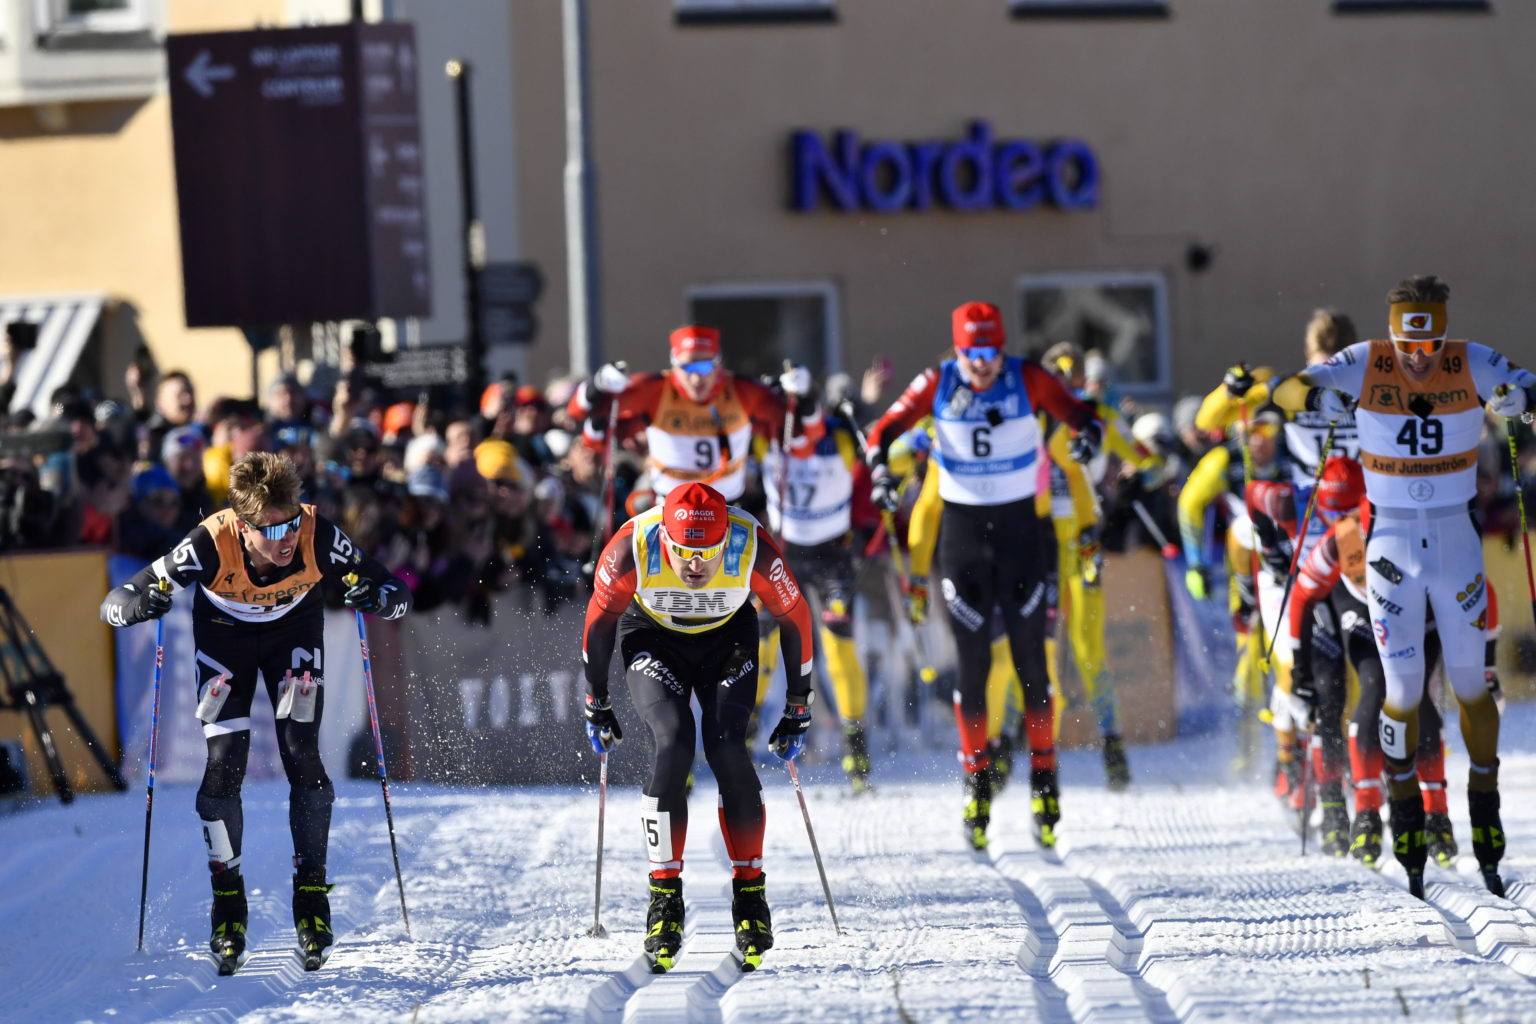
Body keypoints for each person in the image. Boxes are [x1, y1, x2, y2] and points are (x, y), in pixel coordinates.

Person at [1271, 273, 1535, 897]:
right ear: (1392, 333)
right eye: (1408, 346)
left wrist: (1519, 399)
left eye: (1429, 345)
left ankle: (1484, 812)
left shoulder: (1470, 357)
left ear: (1442, 329)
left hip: (1455, 542)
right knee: (1402, 690)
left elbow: (1526, 383)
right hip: (1388, 546)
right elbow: (1283, 391)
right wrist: (1314, 401)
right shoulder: (1365, 361)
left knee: (1472, 689)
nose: (1419, 360)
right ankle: (1402, 813)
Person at [100, 452, 413, 967]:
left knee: (301, 751)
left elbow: (397, 590)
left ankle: (311, 901)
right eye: (273, 529)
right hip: (226, 641)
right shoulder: (209, 541)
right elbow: (115, 600)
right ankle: (228, 905)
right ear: (243, 528)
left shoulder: (315, 531)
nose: (288, 537)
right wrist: (138, 607)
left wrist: (376, 597)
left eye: (292, 521)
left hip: (294, 631)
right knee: (225, 761)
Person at [867, 301, 1101, 850]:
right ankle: (976, 782)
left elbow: (1082, 415)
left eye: (991, 354)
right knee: (972, 671)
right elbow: (883, 431)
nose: (982, 366)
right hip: (964, 541)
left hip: (1023, 540)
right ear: (959, 350)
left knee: (1031, 667)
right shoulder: (938, 382)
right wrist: (881, 474)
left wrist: (1087, 437)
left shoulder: (1028, 377)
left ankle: (1045, 780)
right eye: (972, 355)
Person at [580, 482, 815, 972]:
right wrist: (595, 700)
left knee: (728, 746)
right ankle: (664, 900)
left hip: (727, 639)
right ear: (664, 536)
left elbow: (795, 617)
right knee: (674, 742)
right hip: (652, 638)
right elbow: (599, 623)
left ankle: (751, 898)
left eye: (707, 553)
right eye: (683, 551)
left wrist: (799, 704)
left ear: (725, 538)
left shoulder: (753, 546)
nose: (694, 565)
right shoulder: (631, 548)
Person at [1285, 455, 1497, 867]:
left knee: (1416, 695)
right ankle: (1365, 810)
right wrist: (1300, 667)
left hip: (1420, 612)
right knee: (1376, 687)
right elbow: (1302, 595)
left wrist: (1486, 667)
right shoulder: (1342, 536)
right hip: (1364, 609)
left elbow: (1481, 588)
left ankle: (1435, 811)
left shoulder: (1426, 530)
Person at [1040, 342, 1165, 789]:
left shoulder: (1098, 417)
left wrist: (1135, 483)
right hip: (1040, 545)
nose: (1071, 387)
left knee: (1089, 652)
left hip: (1082, 540)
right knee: (1039, 655)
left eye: (1075, 379)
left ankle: (1112, 747)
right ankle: (1038, 756)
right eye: (1061, 377)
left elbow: (1152, 464)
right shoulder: (1033, 417)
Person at [757, 400, 878, 793]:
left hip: (831, 558)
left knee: (840, 650)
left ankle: (855, 746)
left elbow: (868, 440)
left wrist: (862, 407)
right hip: (785, 552)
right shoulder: (767, 438)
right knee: (763, 642)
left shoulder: (838, 437)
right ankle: (743, 733)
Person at [566, 325, 825, 508]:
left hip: (728, 503)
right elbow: (578, 411)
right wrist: (599, 382)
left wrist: (805, 394)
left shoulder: (743, 392)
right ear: (673, 365)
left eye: (704, 366)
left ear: (719, 365)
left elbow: (808, 438)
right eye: (687, 367)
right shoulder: (654, 390)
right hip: (668, 502)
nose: (696, 377)